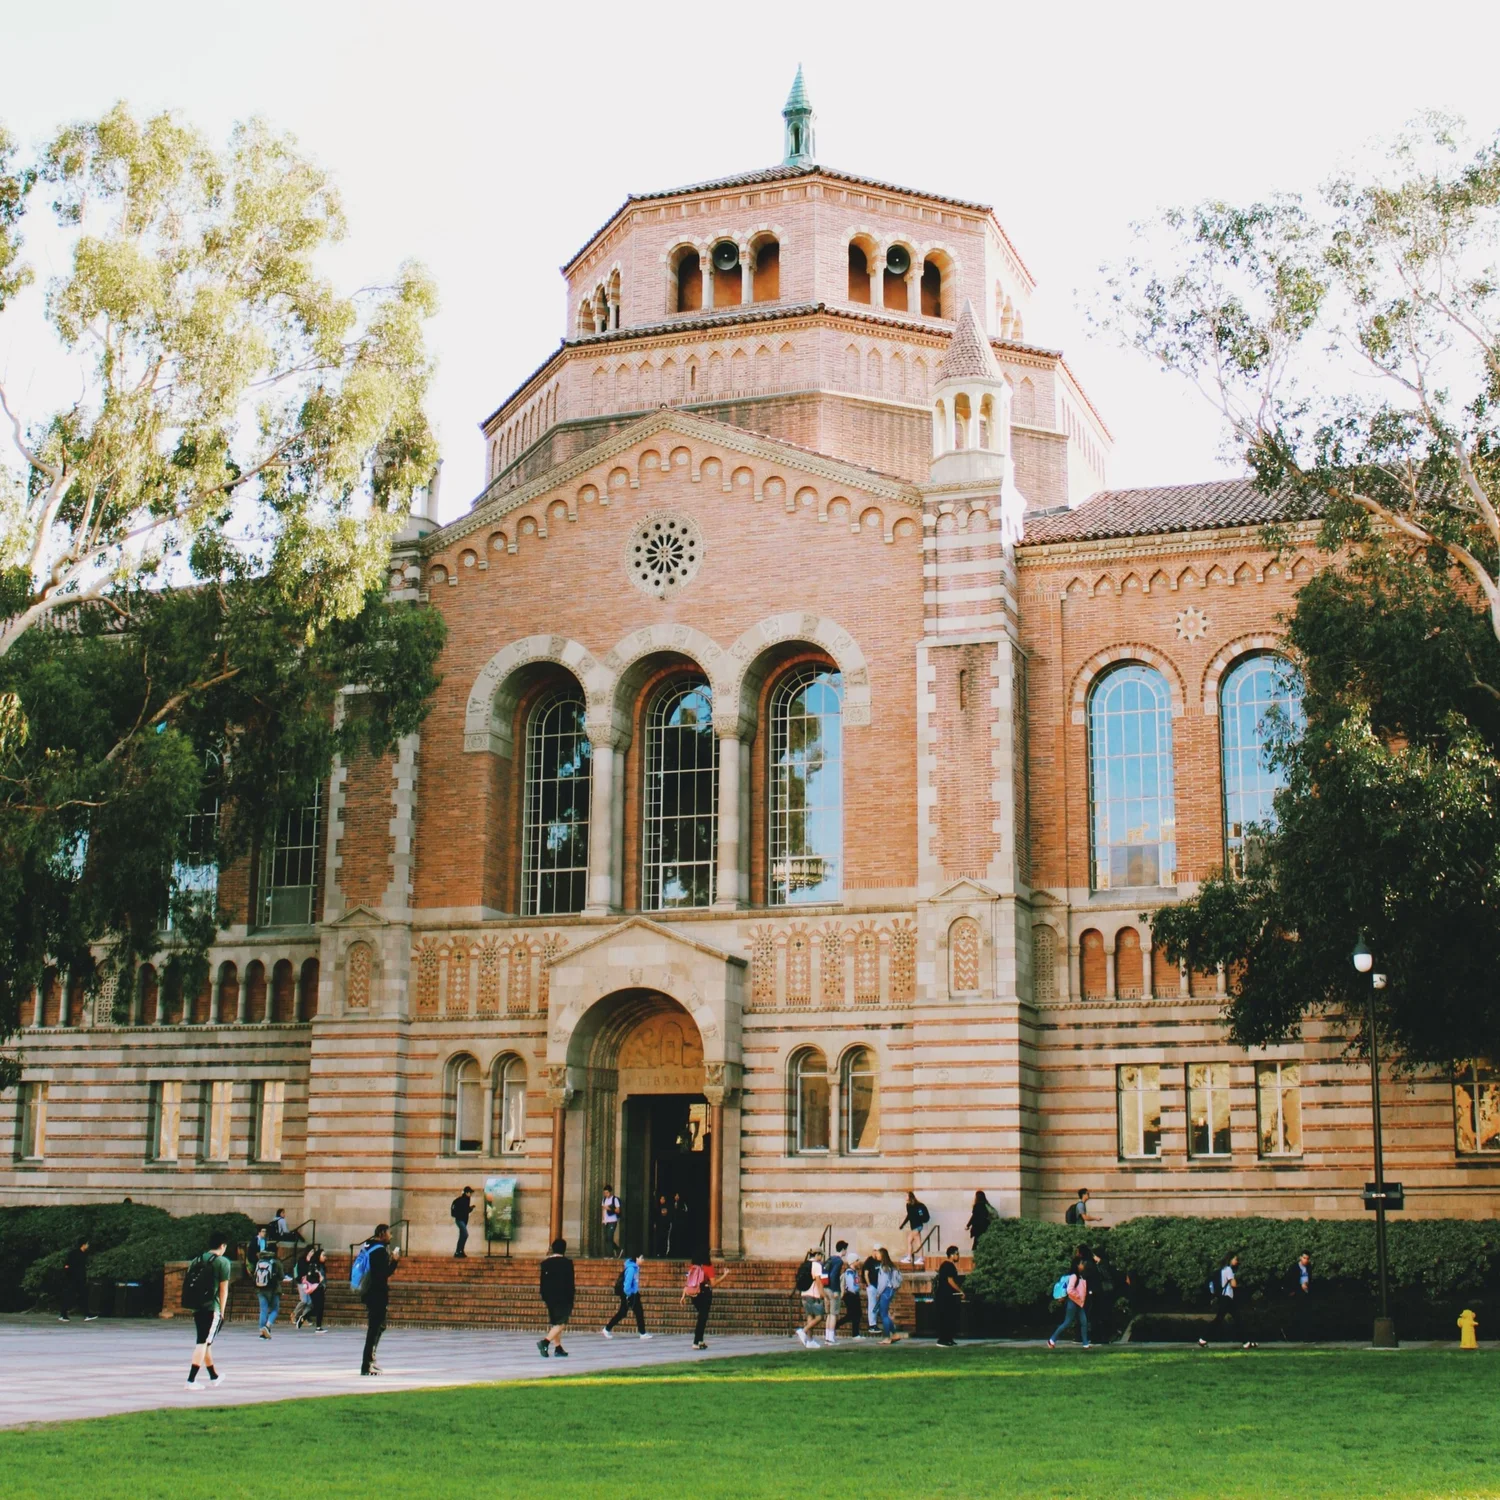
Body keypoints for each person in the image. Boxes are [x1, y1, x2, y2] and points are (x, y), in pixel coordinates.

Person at [183, 1229, 232, 1391]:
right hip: (213, 1307)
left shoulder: (196, 1260)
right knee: (202, 1342)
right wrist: (223, 1311)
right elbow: (224, 1289)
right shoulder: (222, 1262)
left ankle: (214, 1377)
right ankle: (191, 1380)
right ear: (222, 1246)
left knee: (206, 1342)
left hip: (197, 1306)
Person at [358, 1223, 400, 1375]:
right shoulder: (380, 1251)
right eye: (389, 1233)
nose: (391, 1236)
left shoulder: (369, 1247)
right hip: (377, 1294)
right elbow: (384, 1274)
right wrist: (394, 1261)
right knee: (374, 1329)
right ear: (382, 1233)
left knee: (379, 1326)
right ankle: (367, 1364)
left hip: (369, 1292)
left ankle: (370, 1361)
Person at [1199, 1252, 1256, 1349]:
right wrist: (1235, 1280)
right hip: (1227, 1298)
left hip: (1223, 1298)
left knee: (1221, 1319)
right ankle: (1246, 1342)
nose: (1236, 1261)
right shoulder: (1229, 1269)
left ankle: (1203, 1339)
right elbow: (1233, 1284)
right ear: (1230, 1259)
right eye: (1235, 1259)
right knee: (1236, 1319)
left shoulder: (1223, 1269)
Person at [538, 1238, 575, 1358]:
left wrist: (544, 1295)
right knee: (562, 1323)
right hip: (563, 1297)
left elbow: (542, 1282)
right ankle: (545, 1342)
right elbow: (570, 1283)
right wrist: (571, 1297)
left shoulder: (545, 1263)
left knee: (555, 1323)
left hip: (549, 1297)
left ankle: (558, 1347)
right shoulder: (567, 1263)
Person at [602, 1253, 651, 1339]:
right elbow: (627, 1284)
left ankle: (642, 1333)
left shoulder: (635, 1268)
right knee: (623, 1313)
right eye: (641, 1258)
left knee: (637, 1312)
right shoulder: (631, 1269)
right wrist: (629, 1294)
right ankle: (607, 1329)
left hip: (634, 1294)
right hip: (629, 1294)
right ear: (636, 1258)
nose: (643, 1260)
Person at [682, 1259, 727, 1350]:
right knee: (702, 1318)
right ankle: (696, 1342)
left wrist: (683, 1295)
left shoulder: (693, 1266)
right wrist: (724, 1275)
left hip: (694, 1294)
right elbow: (713, 1283)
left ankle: (700, 1341)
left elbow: (689, 1282)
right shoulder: (708, 1267)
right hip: (704, 1293)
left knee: (702, 1317)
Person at [1047, 1255, 1091, 1349]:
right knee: (1067, 1322)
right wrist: (1078, 1297)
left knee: (1084, 1322)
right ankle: (1052, 1340)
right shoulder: (1074, 1276)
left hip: (1079, 1302)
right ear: (1077, 1265)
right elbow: (1070, 1290)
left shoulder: (1081, 1276)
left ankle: (1085, 1344)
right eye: (1081, 1264)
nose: (1083, 1265)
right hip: (1073, 1302)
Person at [794, 1249, 826, 1348]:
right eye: (821, 1255)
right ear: (817, 1254)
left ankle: (810, 1340)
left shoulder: (804, 1264)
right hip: (813, 1294)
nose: (821, 1258)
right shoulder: (816, 1265)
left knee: (810, 1316)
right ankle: (803, 1331)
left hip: (804, 1293)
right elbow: (818, 1281)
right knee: (819, 1317)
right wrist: (823, 1294)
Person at [933, 1245, 965, 1347]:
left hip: (947, 1295)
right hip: (944, 1295)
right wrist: (960, 1291)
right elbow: (950, 1280)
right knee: (945, 1317)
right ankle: (943, 1339)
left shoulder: (947, 1265)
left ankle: (949, 1338)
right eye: (957, 1254)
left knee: (950, 1317)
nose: (958, 1256)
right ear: (951, 1255)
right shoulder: (948, 1266)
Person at [58, 1239, 94, 1322]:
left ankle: (87, 1314)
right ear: (83, 1245)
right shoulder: (74, 1254)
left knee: (83, 1296)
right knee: (69, 1296)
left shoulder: (84, 1254)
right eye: (87, 1244)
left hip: (80, 1279)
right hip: (73, 1279)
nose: (88, 1246)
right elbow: (68, 1265)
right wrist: (69, 1276)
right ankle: (63, 1314)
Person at [253, 1241, 283, 1338]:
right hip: (274, 1289)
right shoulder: (276, 1262)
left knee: (263, 1310)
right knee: (274, 1309)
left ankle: (262, 1332)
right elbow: (281, 1276)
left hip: (260, 1289)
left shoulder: (260, 1261)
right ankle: (267, 1326)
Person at [292, 1247, 326, 1330]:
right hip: (313, 1287)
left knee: (315, 1306)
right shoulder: (312, 1264)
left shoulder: (319, 1265)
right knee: (307, 1302)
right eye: (323, 1255)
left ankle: (305, 1318)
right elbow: (311, 1277)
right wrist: (320, 1280)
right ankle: (298, 1315)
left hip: (318, 1287)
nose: (325, 1257)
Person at [875, 1247, 904, 1343]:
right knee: (885, 1314)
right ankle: (895, 1334)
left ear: (882, 1255)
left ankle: (887, 1337)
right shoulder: (892, 1266)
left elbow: (883, 1283)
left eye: (878, 1254)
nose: (876, 1255)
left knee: (884, 1315)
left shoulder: (884, 1267)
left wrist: (878, 1293)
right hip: (891, 1291)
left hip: (885, 1291)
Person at [823, 1240, 847, 1343]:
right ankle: (831, 1338)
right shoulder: (839, 1261)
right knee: (833, 1314)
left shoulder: (830, 1259)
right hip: (833, 1289)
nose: (846, 1252)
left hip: (826, 1288)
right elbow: (834, 1276)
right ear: (843, 1249)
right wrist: (836, 1290)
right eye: (845, 1249)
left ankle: (827, 1336)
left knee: (829, 1314)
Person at [899, 1191, 930, 1266]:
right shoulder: (909, 1205)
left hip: (916, 1227)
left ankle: (909, 1258)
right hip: (917, 1226)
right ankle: (920, 1258)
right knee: (917, 1243)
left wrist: (902, 1225)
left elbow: (910, 1216)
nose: (905, 1197)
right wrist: (903, 1224)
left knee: (909, 1240)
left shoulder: (914, 1205)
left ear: (909, 1197)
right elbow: (909, 1216)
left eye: (906, 1196)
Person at [1290, 1252, 1313, 1341]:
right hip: (1298, 1292)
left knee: (1307, 1314)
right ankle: (1301, 1336)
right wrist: (1300, 1286)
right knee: (1301, 1314)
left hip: (1307, 1292)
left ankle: (1307, 1336)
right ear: (1300, 1258)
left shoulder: (1309, 1267)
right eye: (1304, 1258)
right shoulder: (1294, 1268)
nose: (1305, 1260)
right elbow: (1291, 1280)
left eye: (1307, 1258)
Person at [841, 1255, 865, 1337]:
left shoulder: (855, 1272)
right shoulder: (849, 1272)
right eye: (857, 1260)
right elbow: (851, 1286)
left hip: (854, 1295)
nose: (859, 1262)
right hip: (850, 1295)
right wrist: (857, 1289)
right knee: (854, 1314)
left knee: (855, 1314)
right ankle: (855, 1334)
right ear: (853, 1261)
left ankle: (856, 1334)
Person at [862, 1248, 882, 1333]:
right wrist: (869, 1284)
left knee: (877, 1306)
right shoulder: (869, 1261)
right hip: (872, 1286)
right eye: (876, 1251)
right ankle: (872, 1325)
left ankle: (875, 1323)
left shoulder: (880, 1261)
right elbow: (865, 1273)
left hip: (879, 1286)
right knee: (872, 1305)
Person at [451, 1187, 474, 1258]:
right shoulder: (461, 1200)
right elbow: (463, 1210)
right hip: (460, 1220)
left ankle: (459, 1251)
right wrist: (470, 1208)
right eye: (470, 1193)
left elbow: (465, 1210)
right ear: (467, 1193)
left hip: (463, 1221)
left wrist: (471, 1208)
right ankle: (459, 1251)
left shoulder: (466, 1200)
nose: (471, 1194)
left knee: (462, 1236)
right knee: (465, 1234)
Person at [601, 1184, 622, 1257]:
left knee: (609, 1236)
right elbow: (603, 1210)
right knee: (607, 1238)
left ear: (610, 1192)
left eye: (607, 1193)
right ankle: (617, 1249)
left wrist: (609, 1208)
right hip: (606, 1221)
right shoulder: (604, 1199)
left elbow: (618, 1210)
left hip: (613, 1220)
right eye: (604, 1193)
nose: (606, 1194)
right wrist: (603, 1219)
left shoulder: (614, 1199)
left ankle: (610, 1254)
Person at [668, 1193, 690, 1258]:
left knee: (680, 1239)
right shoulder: (671, 1204)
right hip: (673, 1224)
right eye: (676, 1195)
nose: (677, 1197)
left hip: (680, 1225)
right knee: (673, 1238)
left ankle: (680, 1253)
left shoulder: (683, 1204)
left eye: (678, 1195)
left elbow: (685, 1212)